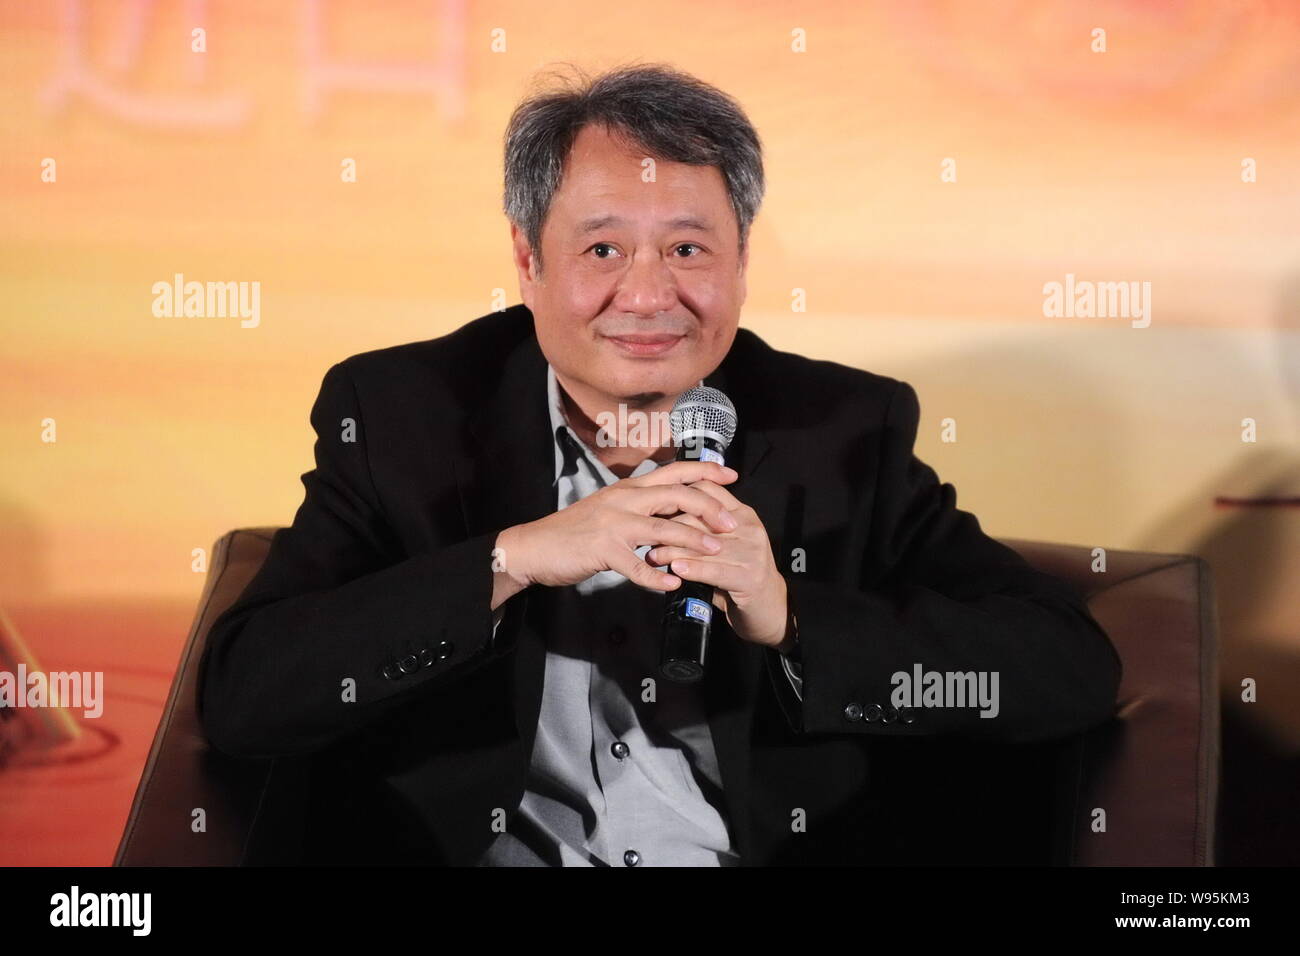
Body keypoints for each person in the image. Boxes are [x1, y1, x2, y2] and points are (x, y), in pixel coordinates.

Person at [196, 62, 1122, 867]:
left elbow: (1067, 668)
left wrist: (791, 616)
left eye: (688, 248)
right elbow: (246, 695)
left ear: (742, 262)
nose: (647, 295)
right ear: (528, 261)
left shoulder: (842, 428)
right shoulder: (403, 416)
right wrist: (509, 558)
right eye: (602, 249)